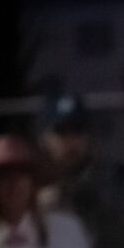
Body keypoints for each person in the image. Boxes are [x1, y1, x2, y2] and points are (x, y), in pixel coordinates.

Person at [35, 93, 109, 236]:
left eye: (77, 131)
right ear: (44, 139)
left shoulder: (106, 184)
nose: (71, 141)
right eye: (61, 132)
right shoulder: (27, 184)